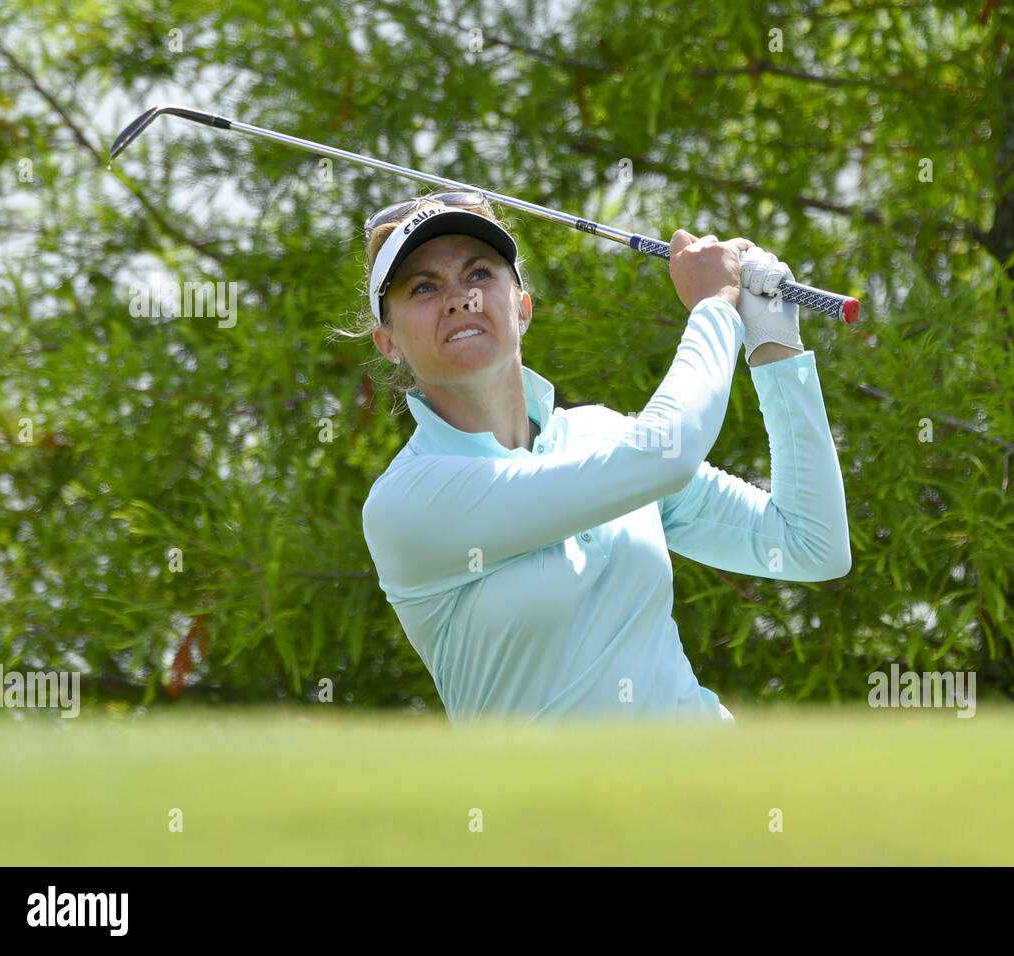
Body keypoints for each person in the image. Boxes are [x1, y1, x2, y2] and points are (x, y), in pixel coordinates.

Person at [357, 189, 851, 725]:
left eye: (479, 274)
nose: (460, 299)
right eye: (424, 287)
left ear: (522, 309)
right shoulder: (408, 500)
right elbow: (667, 453)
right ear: (388, 343)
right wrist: (715, 310)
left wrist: (773, 340)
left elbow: (811, 544)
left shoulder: (601, 434)